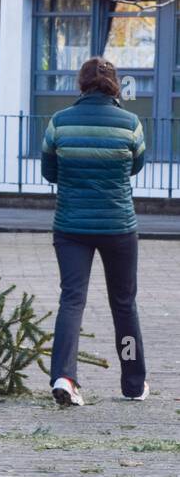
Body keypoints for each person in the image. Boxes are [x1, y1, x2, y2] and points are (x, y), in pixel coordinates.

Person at [40, 57, 149, 407]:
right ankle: (133, 382)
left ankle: (64, 378)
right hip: (118, 227)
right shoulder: (130, 124)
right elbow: (135, 165)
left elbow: (49, 172)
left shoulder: (59, 123)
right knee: (124, 304)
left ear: (82, 83)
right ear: (114, 84)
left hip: (70, 227)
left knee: (71, 301)